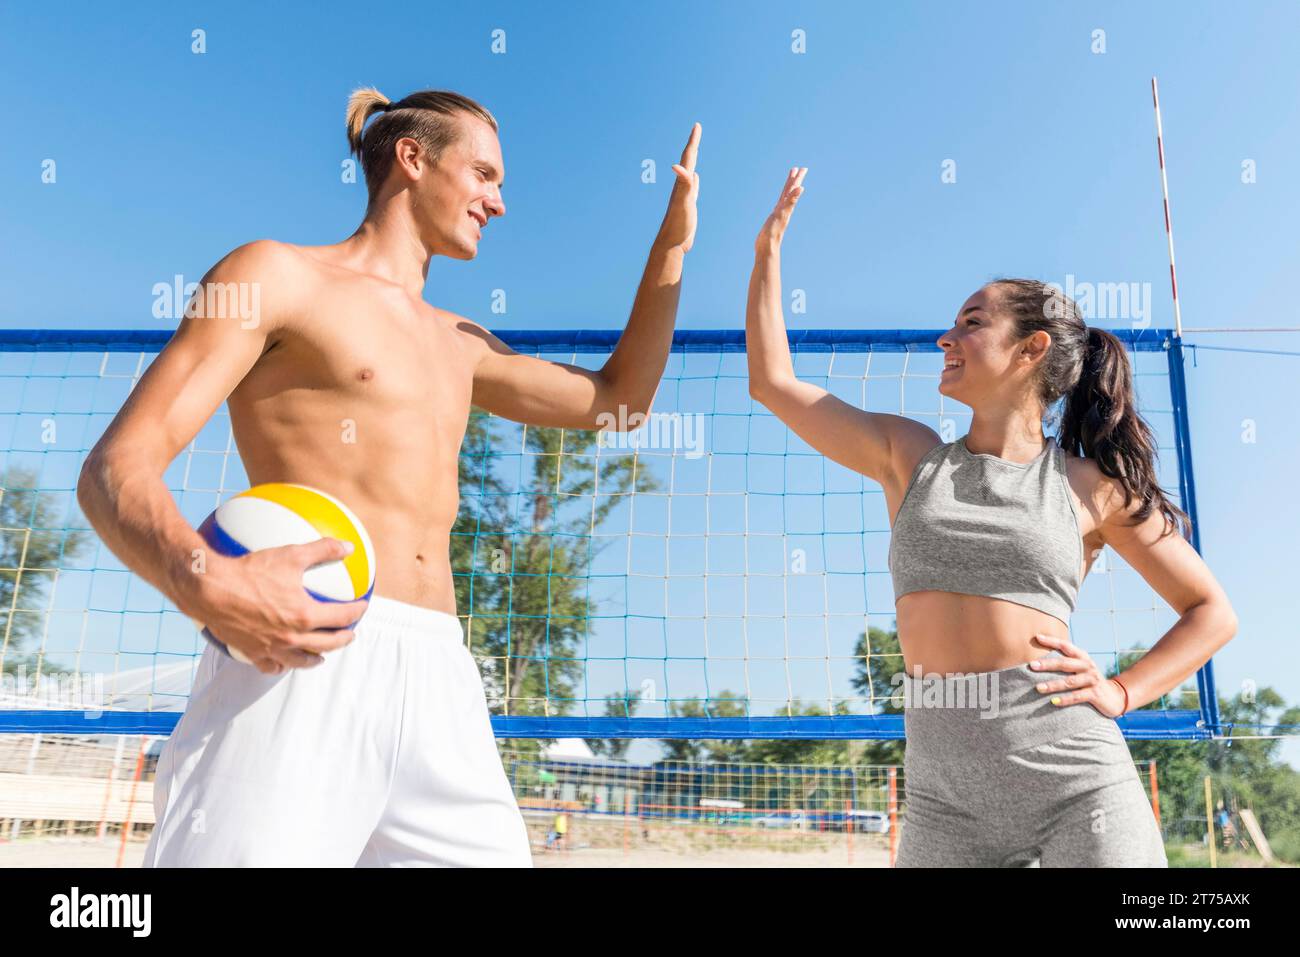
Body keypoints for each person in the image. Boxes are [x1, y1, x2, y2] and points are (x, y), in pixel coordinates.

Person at [77, 88, 701, 866]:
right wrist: (201, 578)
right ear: (412, 158)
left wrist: (673, 244)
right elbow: (116, 465)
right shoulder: (276, 275)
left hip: (440, 668)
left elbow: (620, 403)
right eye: (483, 174)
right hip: (301, 653)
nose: (498, 202)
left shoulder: (462, 342)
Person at [745, 168, 1237, 867]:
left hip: (1075, 780)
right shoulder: (907, 454)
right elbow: (772, 382)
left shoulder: (1087, 485)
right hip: (945, 799)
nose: (948, 337)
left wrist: (1124, 689)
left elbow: (1212, 611)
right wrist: (767, 252)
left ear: (1033, 348)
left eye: (971, 323)